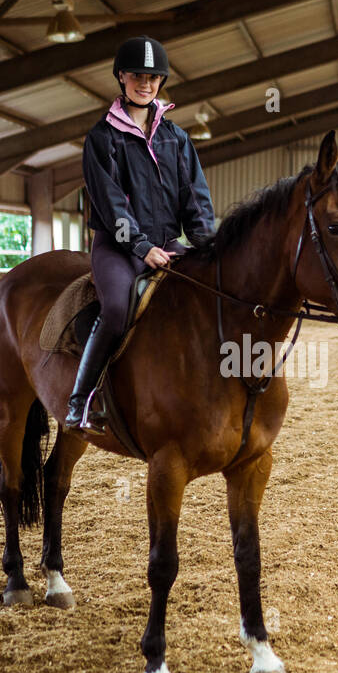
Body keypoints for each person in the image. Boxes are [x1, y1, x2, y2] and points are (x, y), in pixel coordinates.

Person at [64, 35, 216, 433]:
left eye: (152, 77)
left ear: (161, 81)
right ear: (121, 77)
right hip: (117, 248)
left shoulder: (177, 138)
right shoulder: (103, 138)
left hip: (169, 244)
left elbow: (194, 197)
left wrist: (209, 244)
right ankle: (82, 400)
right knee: (117, 307)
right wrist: (141, 246)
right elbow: (110, 202)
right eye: (136, 75)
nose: (144, 83)